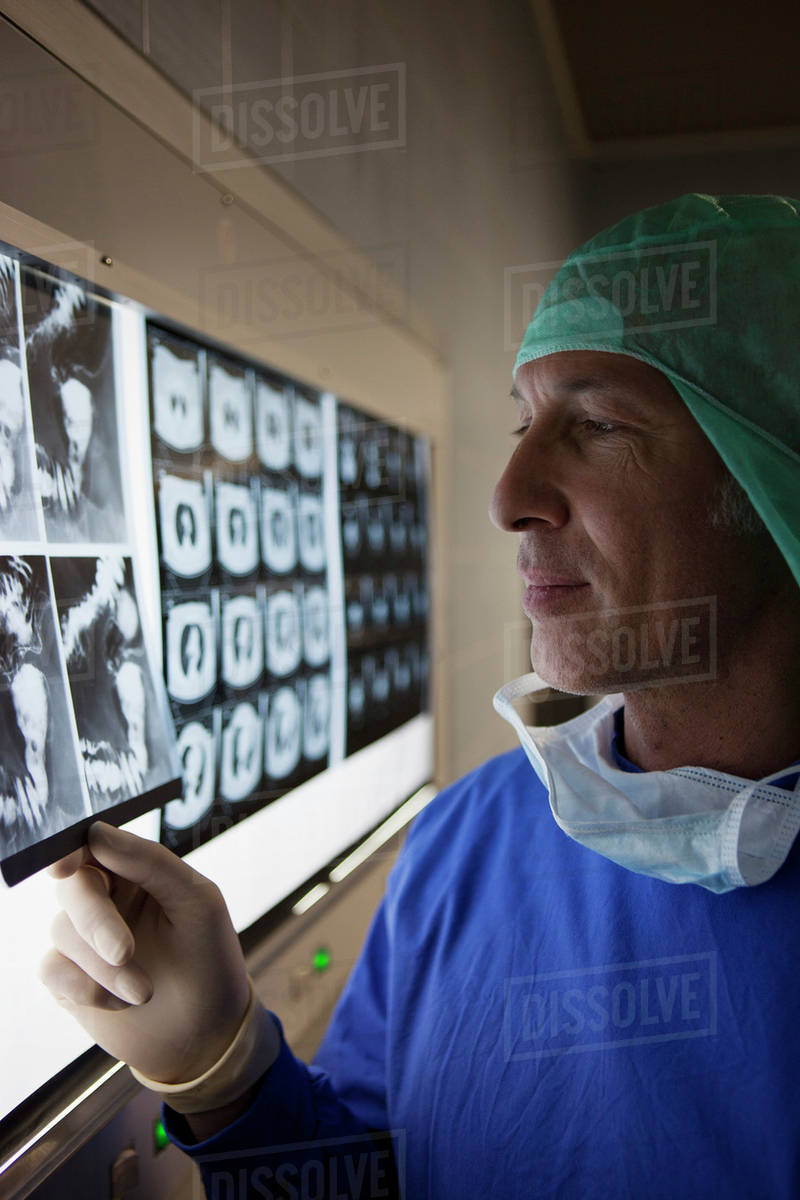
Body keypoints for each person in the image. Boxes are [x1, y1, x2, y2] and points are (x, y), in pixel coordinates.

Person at [39, 195, 800, 1197]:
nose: (507, 496)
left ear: (772, 475)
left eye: (598, 425)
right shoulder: (463, 843)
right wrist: (227, 1077)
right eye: (525, 421)